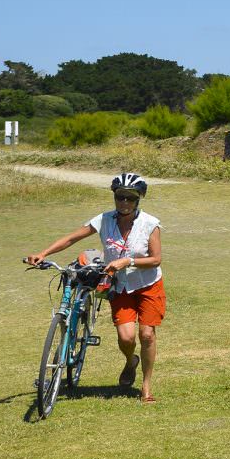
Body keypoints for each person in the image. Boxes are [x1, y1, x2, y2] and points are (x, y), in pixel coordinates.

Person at [25, 172, 165, 402]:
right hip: (120, 287)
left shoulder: (150, 224)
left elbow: (156, 259)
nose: (124, 202)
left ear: (138, 199)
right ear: (115, 196)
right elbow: (72, 238)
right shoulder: (104, 220)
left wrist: (126, 261)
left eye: (130, 198)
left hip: (148, 284)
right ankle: (131, 361)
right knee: (127, 338)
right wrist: (43, 253)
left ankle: (146, 386)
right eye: (120, 197)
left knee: (147, 335)